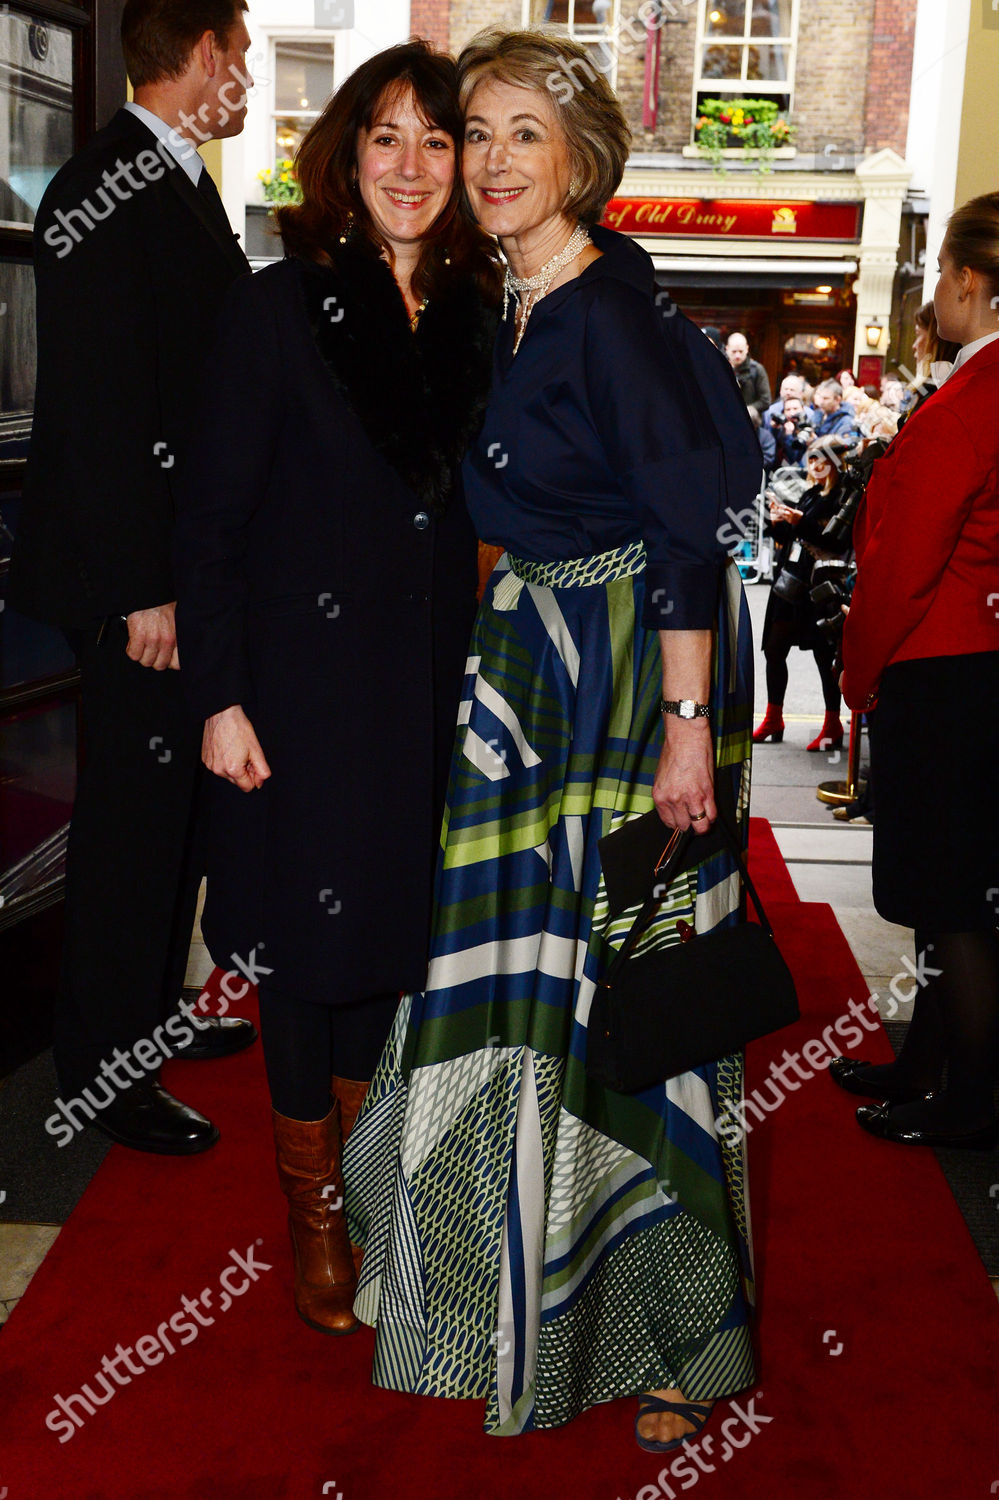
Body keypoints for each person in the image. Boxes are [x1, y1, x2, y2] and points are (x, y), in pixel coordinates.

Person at [345, 27, 761, 1453]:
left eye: (527, 133)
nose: (493, 161)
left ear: (581, 158)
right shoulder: (506, 307)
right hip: (520, 675)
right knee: (509, 997)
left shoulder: (610, 320)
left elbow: (687, 542)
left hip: (621, 689)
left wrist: (688, 735)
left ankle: (672, 1335)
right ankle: (506, 1295)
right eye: (478, 132)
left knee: (627, 1009)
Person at [173, 41, 501, 1335]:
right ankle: (310, 1211)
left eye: (437, 142)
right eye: (387, 138)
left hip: (427, 693)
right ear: (343, 157)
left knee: (387, 944)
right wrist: (220, 696)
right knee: (306, 956)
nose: (412, 167)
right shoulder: (277, 306)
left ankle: (361, 1185)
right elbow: (206, 518)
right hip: (300, 695)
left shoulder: (484, 317)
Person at [8, 0, 257, 1156]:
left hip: (173, 572)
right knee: (134, 832)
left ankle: (148, 1021)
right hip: (136, 588)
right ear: (203, 54)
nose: (247, 70)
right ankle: (102, 1069)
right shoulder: (103, 189)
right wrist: (143, 590)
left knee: (178, 822)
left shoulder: (179, 177)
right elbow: (104, 414)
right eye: (243, 51)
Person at [833, 192, 999, 1151]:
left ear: (970, 280)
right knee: (962, 889)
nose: (934, 292)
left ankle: (967, 1098)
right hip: (979, 667)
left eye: (939, 273)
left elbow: (902, 565)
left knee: (947, 899)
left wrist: (860, 673)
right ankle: (929, 1065)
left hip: (943, 671)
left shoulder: (970, 399)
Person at [753, 436, 853, 751]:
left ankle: (832, 724)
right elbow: (790, 536)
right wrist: (777, 519)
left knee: (826, 657)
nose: (815, 465)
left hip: (820, 585)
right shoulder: (810, 493)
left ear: (837, 460)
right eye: (811, 459)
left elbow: (835, 541)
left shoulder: (845, 496)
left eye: (822, 458)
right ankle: (773, 717)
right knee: (773, 650)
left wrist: (799, 521)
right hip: (789, 581)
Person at [899, 300, 960, 422]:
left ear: (935, 340)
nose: (914, 346)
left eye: (917, 334)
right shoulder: (936, 389)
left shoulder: (934, 394)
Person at [725, 330, 772, 418]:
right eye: (734, 351)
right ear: (727, 349)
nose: (737, 356)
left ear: (747, 349)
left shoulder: (757, 369)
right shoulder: (721, 368)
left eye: (741, 351)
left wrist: (746, 410)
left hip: (750, 420)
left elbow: (765, 400)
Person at [810, 378, 858, 443]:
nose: (821, 402)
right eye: (820, 397)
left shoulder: (846, 421)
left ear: (838, 399)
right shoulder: (818, 415)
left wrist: (815, 441)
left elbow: (840, 447)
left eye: (825, 398)